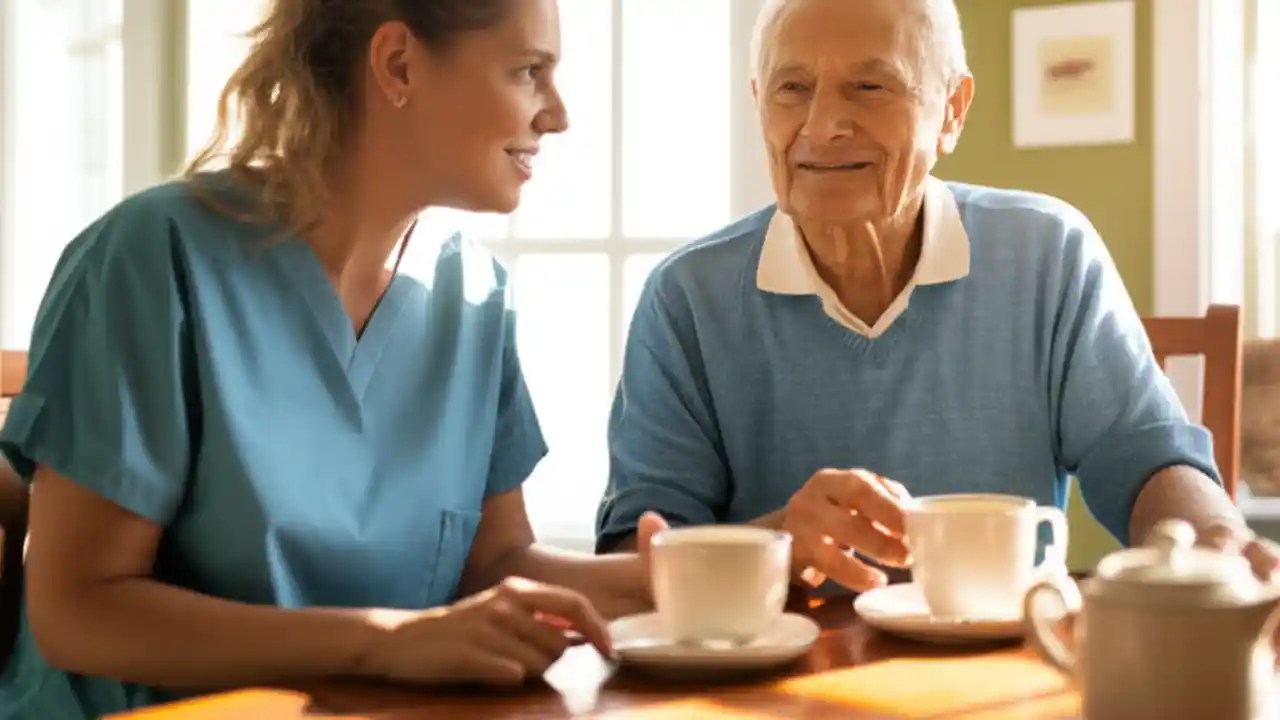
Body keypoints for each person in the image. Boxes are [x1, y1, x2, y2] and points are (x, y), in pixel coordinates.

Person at [0, 1, 663, 717]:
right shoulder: (150, 258)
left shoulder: (475, 297)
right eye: (529, 72)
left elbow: (493, 565)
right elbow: (80, 612)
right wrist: (384, 642)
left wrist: (677, 577)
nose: (556, 115)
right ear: (398, 64)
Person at [595, 0, 1279, 591]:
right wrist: (775, 543)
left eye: (869, 86)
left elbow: (1146, 457)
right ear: (757, 104)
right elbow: (636, 557)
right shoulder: (686, 298)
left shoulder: (1049, 254)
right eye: (792, 88)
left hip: (1006, 669)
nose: (823, 124)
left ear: (951, 111)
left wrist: (1218, 540)